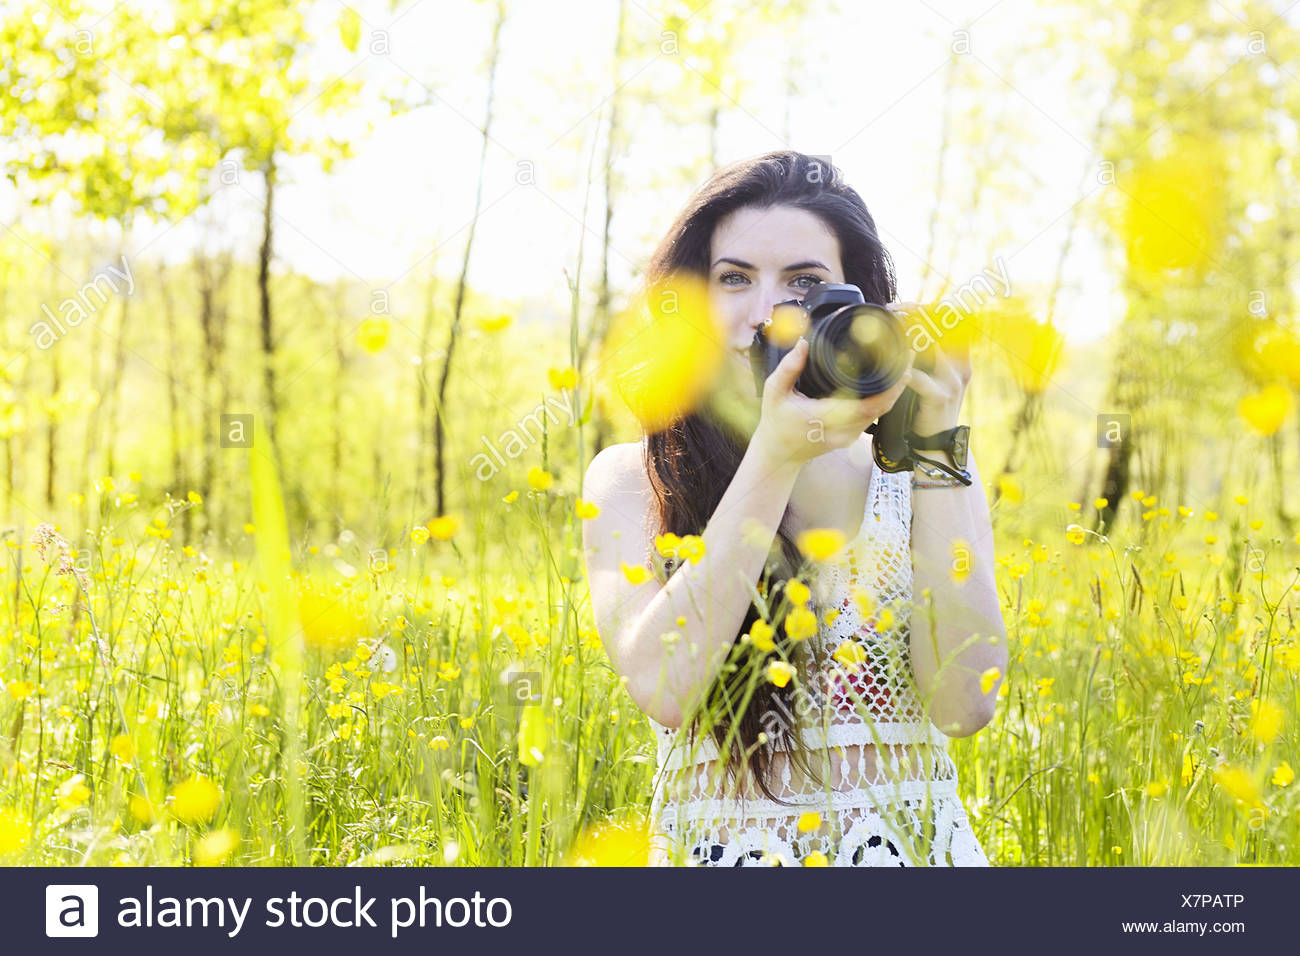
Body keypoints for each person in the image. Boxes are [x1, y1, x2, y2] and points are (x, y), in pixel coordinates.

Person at [580, 150, 1007, 866]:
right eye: (733, 279)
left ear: (859, 311)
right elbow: (663, 686)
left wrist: (936, 445)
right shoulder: (633, 480)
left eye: (804, 283)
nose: (765, 313)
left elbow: (965, 706)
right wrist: (774, 457)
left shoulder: (918, 473)